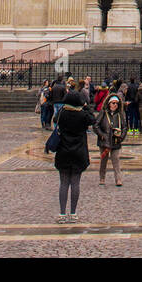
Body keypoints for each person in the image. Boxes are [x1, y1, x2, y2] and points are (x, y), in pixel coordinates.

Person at [53, 88, 93, 223]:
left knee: (64, 183)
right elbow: (93, 119)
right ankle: (73, 213)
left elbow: (55, 118)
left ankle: (62, 213)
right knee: (75, 182)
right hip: (78, 151)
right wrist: (86, 107)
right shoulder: (83, 115)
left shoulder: (62, 113)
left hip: (63, 150)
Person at [94, 92, 126, 186]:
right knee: (104, 160)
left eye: (117, 103)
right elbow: (96, 125)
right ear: (109, 103)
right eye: (113, 103)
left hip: (116, 140)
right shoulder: (103, 113)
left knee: (115, 159)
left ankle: (118, 179)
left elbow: (124, 127)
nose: (115, 105)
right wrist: (102, 135)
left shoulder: (120, 115)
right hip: (104, 141)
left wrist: (121, 137)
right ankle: (102, 178)